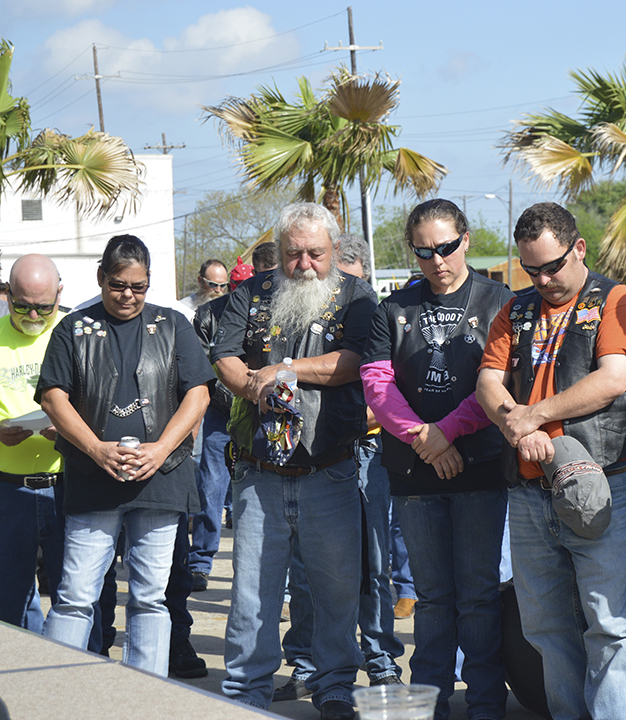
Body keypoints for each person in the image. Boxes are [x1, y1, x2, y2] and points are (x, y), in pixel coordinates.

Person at [477, 201, 626, 720]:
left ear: (578, 248)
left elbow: (612, 380)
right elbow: (488, 382)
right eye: (530, 269)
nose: (543, 279)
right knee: (545, 629)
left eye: (552, 266)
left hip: (600, 484)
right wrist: (515, 419)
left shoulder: (616, 300)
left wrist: (532, 417)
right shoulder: (516, 308)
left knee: (609, 626)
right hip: (529, 492)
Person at [213, 203, 376, 720]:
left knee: (335, 590)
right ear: (279, 250)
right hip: (258, 473)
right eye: (293, 253)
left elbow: (353, 363)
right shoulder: (249, 293)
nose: (303, 264)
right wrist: (253, 385)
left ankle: (334, 687)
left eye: (315, 253)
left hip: (329, 468)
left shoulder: (357, 296)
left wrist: (283, 370)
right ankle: (246, 693)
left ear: (333, 249)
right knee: (252, 594)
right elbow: (225, 355)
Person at [359, 199, 512, 720]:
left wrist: (446, 433)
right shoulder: (393, 309)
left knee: (478, 596)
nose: (437, 260)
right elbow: (377, 385)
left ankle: (487, 705)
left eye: (445, 247)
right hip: (413, 471)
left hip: (481, 467)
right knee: (431, 598)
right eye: (424, 251)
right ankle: (429, 705)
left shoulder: (500, 301)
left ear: (465, 239)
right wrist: (425, 437)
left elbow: (499, 385)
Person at [38, 235, 214, 676]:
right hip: (91, 479)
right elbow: (54, 398)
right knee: (76, 596)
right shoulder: (73, 329)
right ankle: (58, 693)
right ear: (101, 277)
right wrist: (96, 448)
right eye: (119, 285)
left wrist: (161, 450)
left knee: (150, 597)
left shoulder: (174, 325)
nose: (129, 296)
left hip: (161, 478)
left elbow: (198, 393)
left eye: (139, 287)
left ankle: (144, 693)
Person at [276, 231, 406, 701]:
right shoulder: (298, 309)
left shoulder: (378, 311)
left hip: (366, 451)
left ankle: (379, 657)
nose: (344, 301)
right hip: (312, 452)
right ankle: (307, 662)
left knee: (372, 563)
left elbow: (391, 387)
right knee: (306, 565)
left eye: (351, 286)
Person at [188, 256, 264, 592]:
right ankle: (201, 560)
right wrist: (234, 393)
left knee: (261, 490)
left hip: (261, 410)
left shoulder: (266, 312)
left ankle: (263, 574)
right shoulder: (207, 315)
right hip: (221, 411)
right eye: (226, 287)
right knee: (211, 486)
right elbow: (203, 369)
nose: (231, 293)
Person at [0, 255, 66, 633]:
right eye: (22, 305)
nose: (34, 316)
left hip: (68, 486)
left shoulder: (75, 333)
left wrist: (74, 430)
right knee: (11, 602)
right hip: (9, 488)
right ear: (8, 293)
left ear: (60, 293)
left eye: (44, 307)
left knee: (72, 597)